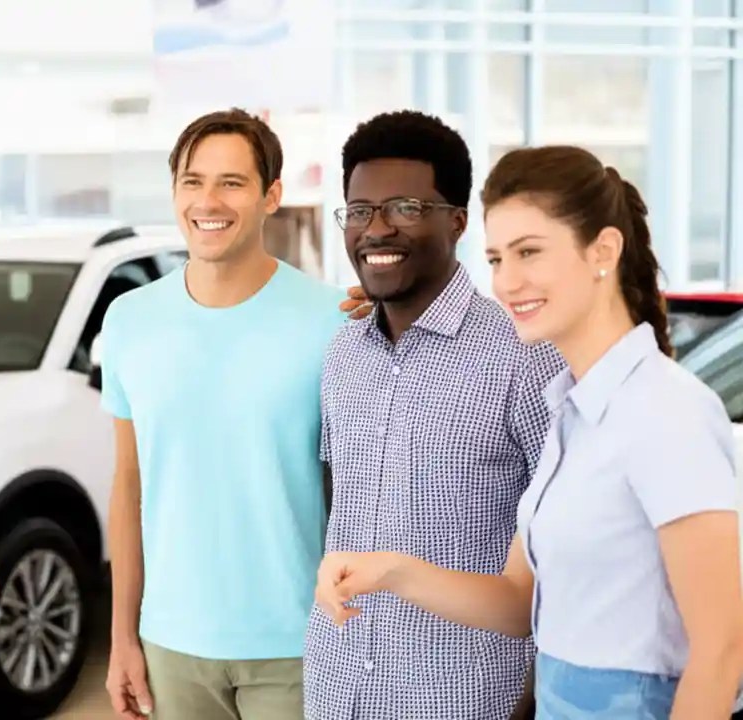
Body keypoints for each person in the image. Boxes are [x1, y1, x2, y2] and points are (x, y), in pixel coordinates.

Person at [315, 144, 743, 719]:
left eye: (529, 253)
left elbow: (723, 651)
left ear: (604, 251)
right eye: (495, 260)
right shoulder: (571, 411)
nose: (508, 282)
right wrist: (390, 570)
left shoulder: (667, 411)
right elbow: (520, 601)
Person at [303, 110, 564, 720]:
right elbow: (341, 503)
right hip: (338, 687)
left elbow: (567, 554)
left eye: (405, 209)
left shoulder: (523, 356)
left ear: (458, 221)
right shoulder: (344, 351)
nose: (377, 229)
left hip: (465, 699)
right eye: (361, 211)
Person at [100, 107, 346, 719]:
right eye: (192, 181)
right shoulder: (129, 320)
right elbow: (128, 486)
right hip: (170, 645)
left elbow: (356, 489)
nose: (208, 200)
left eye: (231, 182)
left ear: (271, 196)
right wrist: (121, 637)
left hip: (297, 644)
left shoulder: (333, 320)